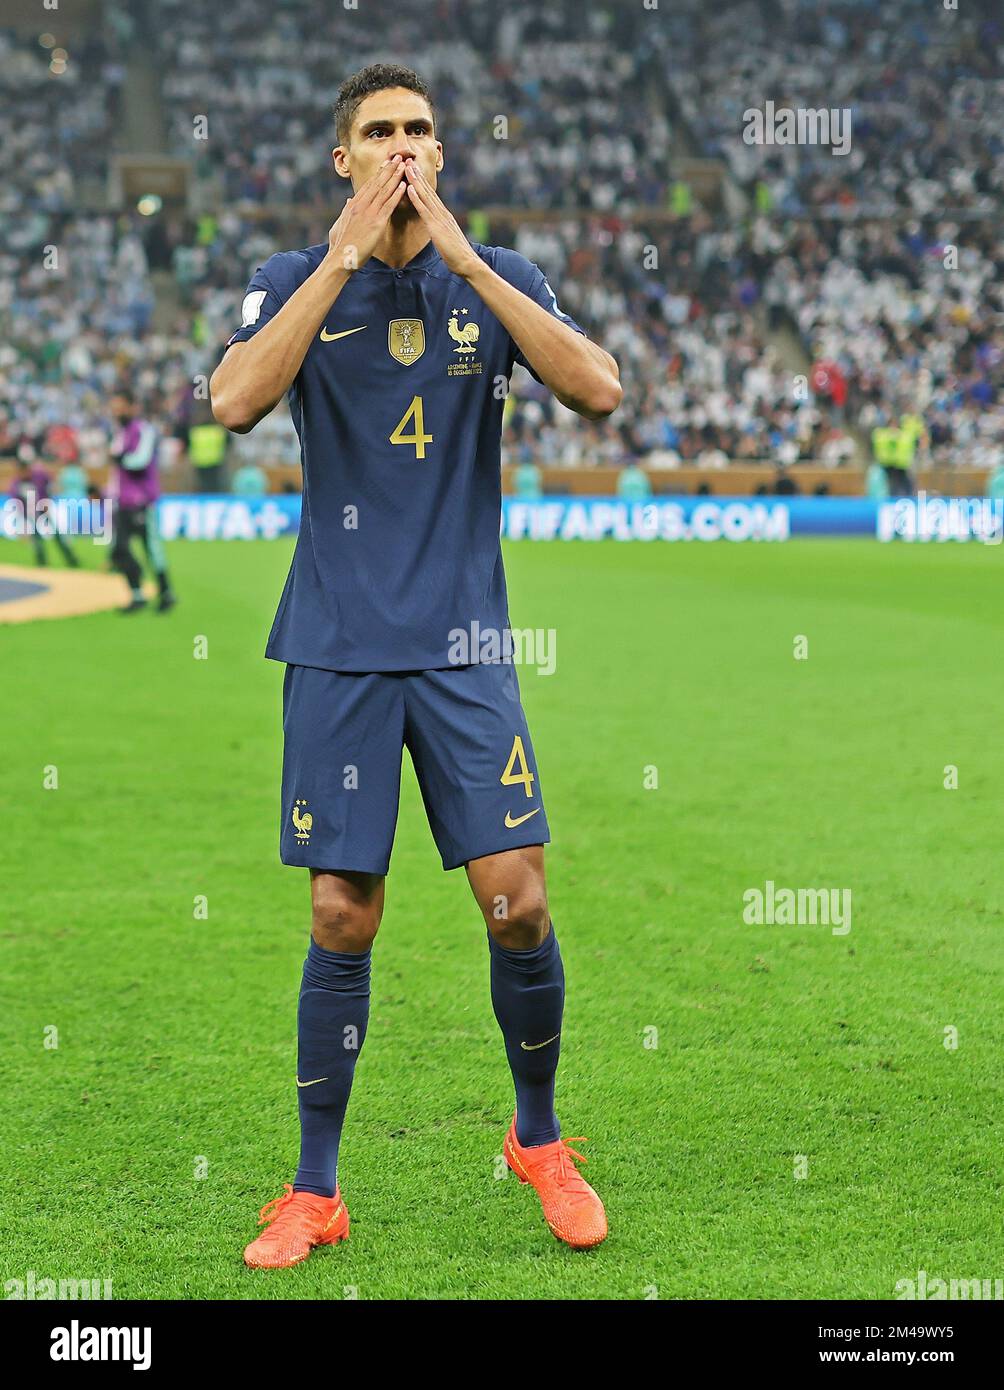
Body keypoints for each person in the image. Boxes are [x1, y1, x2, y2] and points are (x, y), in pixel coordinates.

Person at [210, 62, 622, 1269]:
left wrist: (473, 260)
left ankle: (536, 1140)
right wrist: (341, 258)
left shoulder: (488, 282)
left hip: (463, 647)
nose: (402, 148)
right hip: (337, 644)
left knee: (518, 897)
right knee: (343, 912)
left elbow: (597, 387)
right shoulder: (292, 280)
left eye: (421, 132)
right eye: (380, 133)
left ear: (444, 155)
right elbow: (232, 399)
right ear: (342, 157)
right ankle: (315, 1188)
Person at [108, 391, 177, 613]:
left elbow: (140, 460)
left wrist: (121, 458)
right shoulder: (122, 432)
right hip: (123, 501)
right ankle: (137, 593)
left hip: (142, 500)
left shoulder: (143, 430)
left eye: (120, 407)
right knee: (119, 549)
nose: (116, 412)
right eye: (114, 408)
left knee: (151, 549)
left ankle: (166, 593)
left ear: (132, 406)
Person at [6, 458, 79, 568]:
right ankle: (42, 563)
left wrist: (48, 500)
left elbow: (51, 485)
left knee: (56, 535)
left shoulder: (39, 476)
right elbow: (17, 503)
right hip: (31, 514)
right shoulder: (17, 484)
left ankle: (71, 560)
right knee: (37, 540)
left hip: (43, 510)